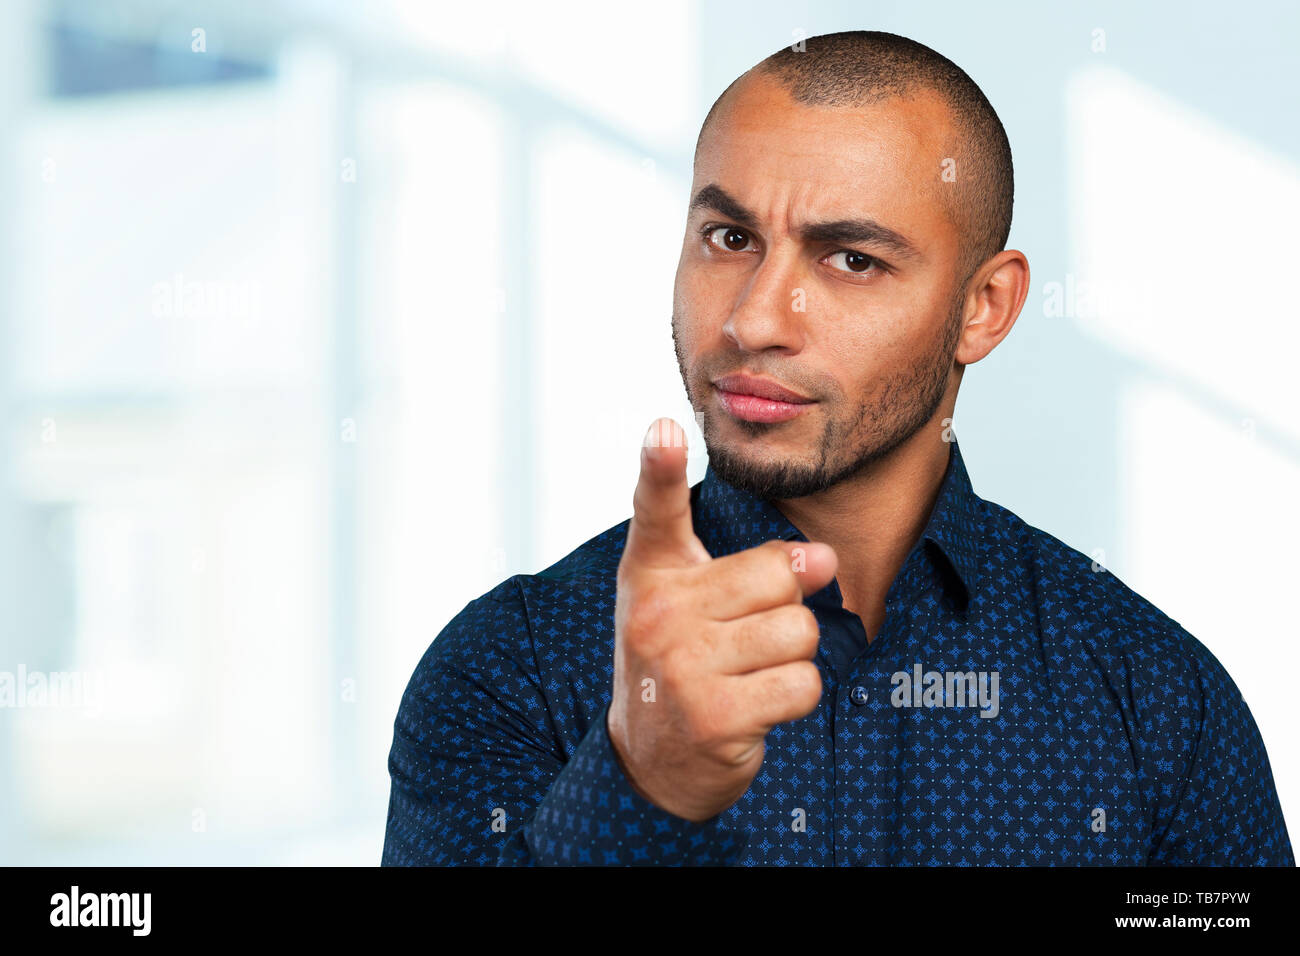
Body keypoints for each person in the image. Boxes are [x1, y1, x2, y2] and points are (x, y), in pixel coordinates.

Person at [382, 30, 1293, 865]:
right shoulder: (510, 671)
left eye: (850, 259)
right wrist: (639, 791)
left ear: (985, 309)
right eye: (729, 238)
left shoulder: (1160, 701)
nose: (753, 320)